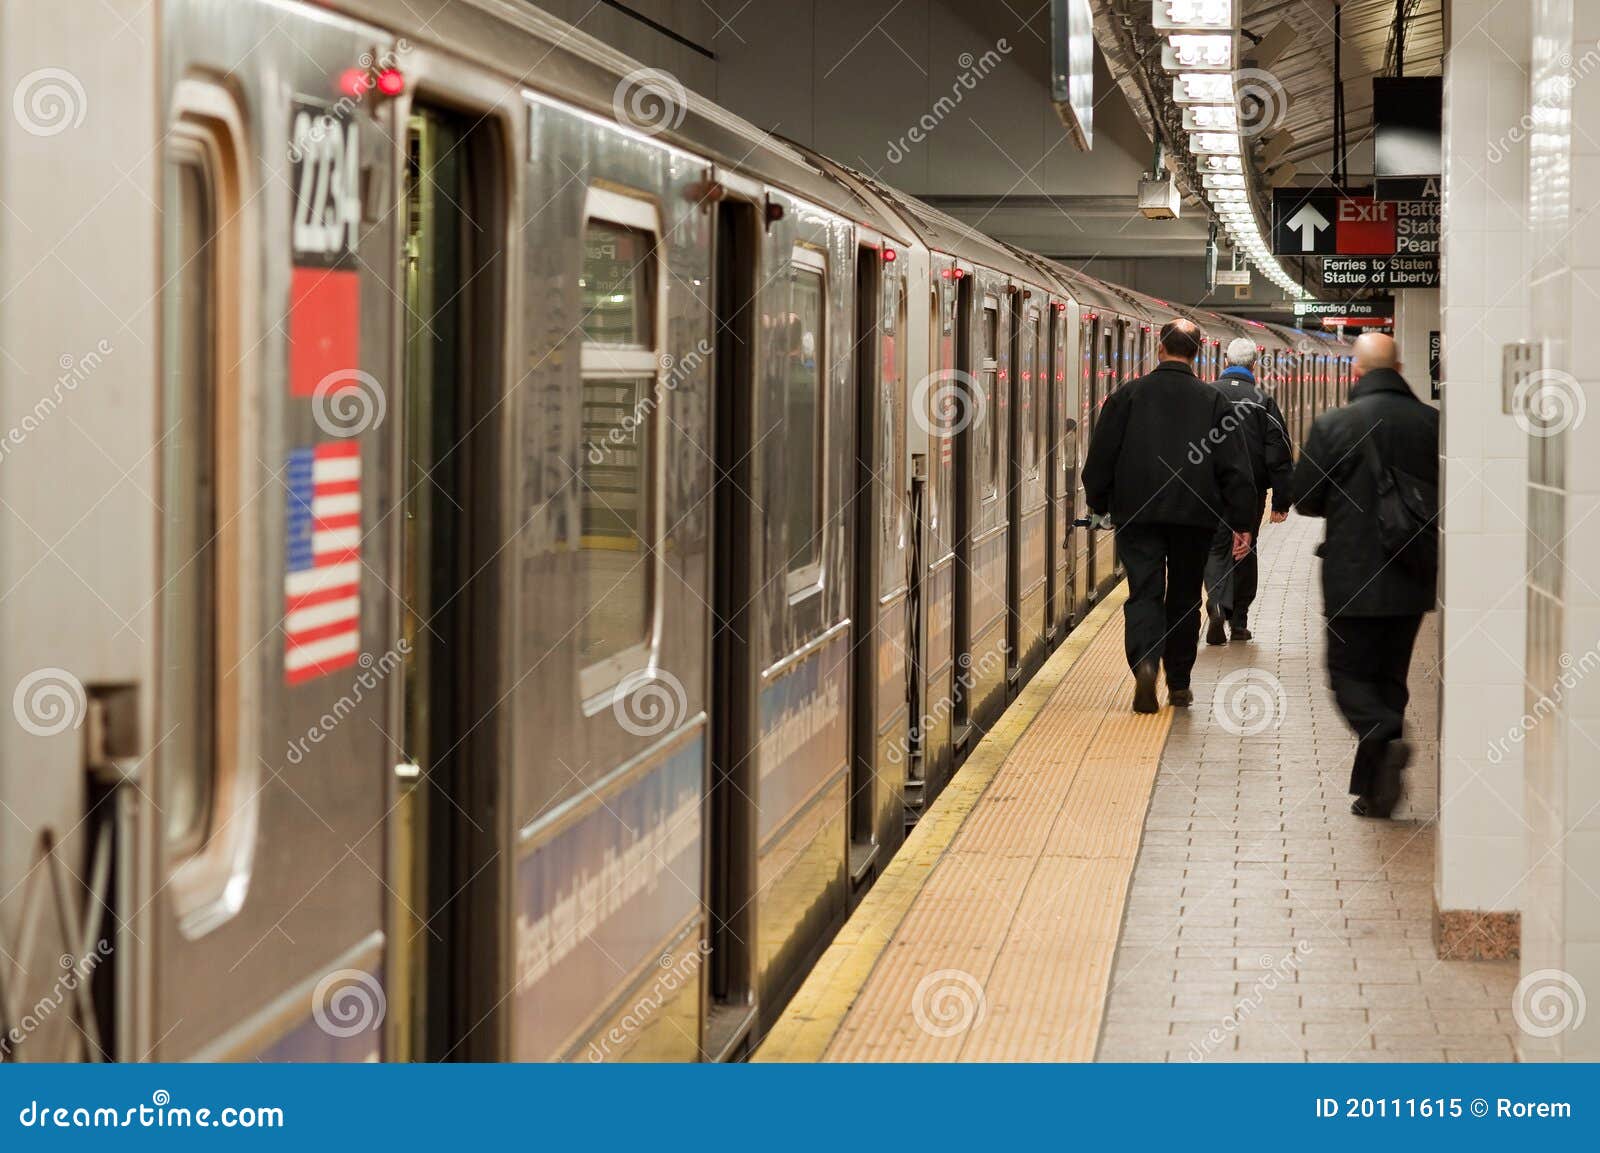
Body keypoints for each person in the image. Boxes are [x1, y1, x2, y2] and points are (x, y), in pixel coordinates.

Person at [1292, 333, 1439, 819]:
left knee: (1349, 675)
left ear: (1356, 373)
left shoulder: (1336, 424)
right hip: (1412, 572)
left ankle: (1379, 734)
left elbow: (1306, 497)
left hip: (1352, 574)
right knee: (1391, 680)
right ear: (1399, 366)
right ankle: (1375, 793)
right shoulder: (1432, 424)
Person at [1083, 318, 1257, 714]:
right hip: (1195, 518)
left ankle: (1145, 664)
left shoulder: (1127, 396)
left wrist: (1100, 504)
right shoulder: (1213, 402)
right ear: (1197, 354)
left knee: (1144, 592)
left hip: (1138, 515)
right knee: (1183, 597)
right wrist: (1242, 522)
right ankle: (1178, 683)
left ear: (1159, 348)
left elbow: (1100, 460)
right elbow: (1236, 469)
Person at [1204, 337, 1294, 645]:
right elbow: (1278, 453)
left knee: (1215, 549)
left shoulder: (1207, 396)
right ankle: (1238, 622)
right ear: (1254, 365)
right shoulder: (1262, 401)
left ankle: (1216, 602)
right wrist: (1282, 501)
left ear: (1225, 363)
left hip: (1210, 491)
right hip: (1251, 492)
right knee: (1244, 547)